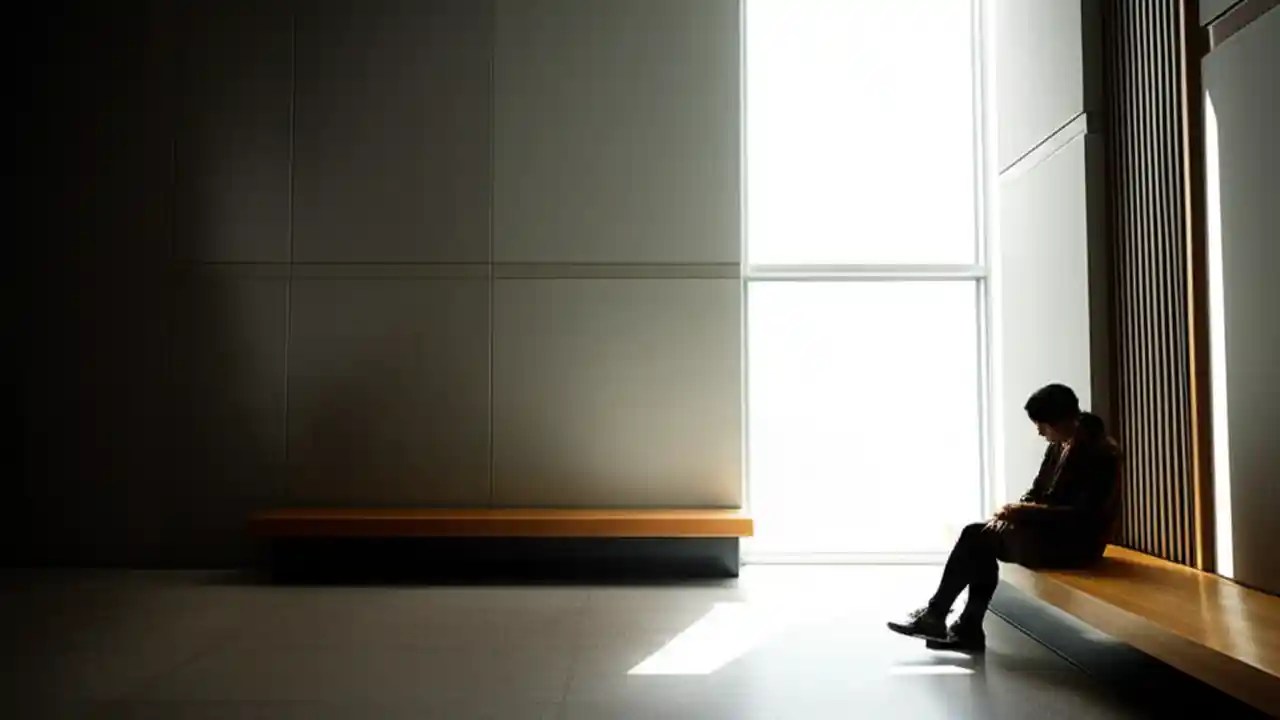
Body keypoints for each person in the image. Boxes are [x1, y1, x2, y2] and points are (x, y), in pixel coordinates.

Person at [887, 383, 1122, 652]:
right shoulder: (1061, 443)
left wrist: (1023, 513)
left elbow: (1084, 517)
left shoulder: (1100, 453)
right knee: (979, 539)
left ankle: (947, 619)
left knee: (976, 537)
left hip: (1076, 544)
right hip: (1050, 533)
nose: (1039, 431)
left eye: (1042, 425)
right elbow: (1037, 490)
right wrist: (1016, 513)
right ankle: (961, 624)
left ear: (1060, 420)